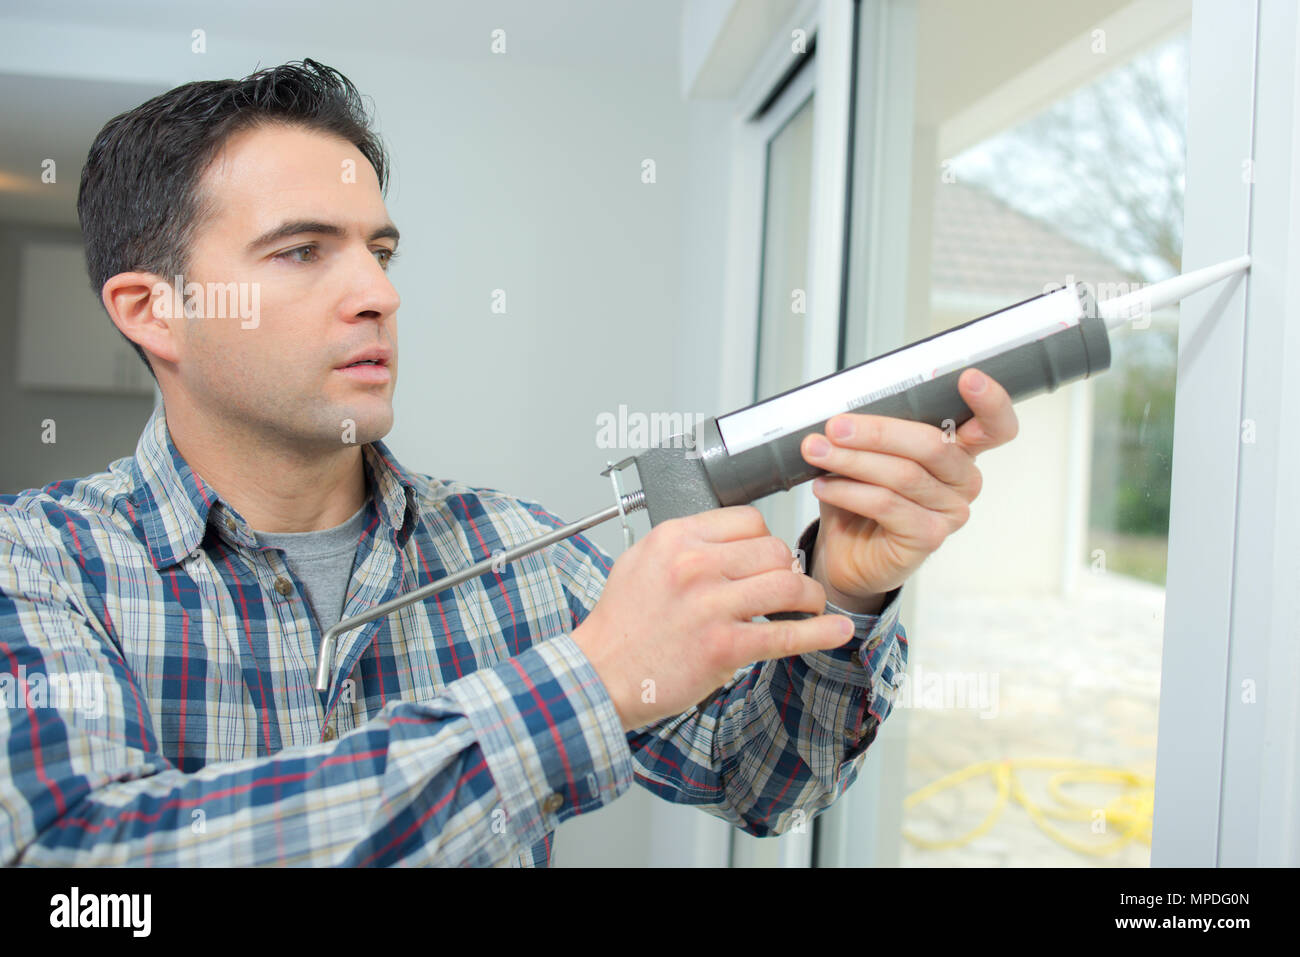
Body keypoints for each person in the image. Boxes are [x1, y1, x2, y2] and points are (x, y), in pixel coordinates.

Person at [0, 60, 1015, 866]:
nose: (378, 295)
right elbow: (77, 864)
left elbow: (760, 781)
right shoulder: (36, 564)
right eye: (304, 251)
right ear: (153, 310)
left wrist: (846, 590)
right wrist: (587, 684)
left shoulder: (515, 550)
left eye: (381, 251)